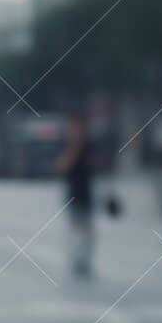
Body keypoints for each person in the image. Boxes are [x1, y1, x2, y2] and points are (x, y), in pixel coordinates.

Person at [57, 113, 97, 279]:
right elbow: (62, 167)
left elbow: (96, 166)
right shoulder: (68, 145)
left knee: (87, 231)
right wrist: (74, 147)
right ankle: (76, 260)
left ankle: (84, 261)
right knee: (75, 229)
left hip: (87, 193)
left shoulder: (89, 146)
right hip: (73, 194)